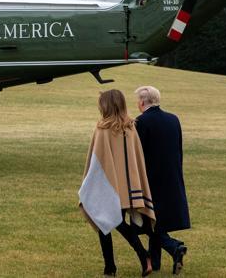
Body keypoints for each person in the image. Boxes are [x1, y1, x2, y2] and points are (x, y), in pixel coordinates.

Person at [79, 89, 155, 276]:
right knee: (114, 221)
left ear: (105, 106)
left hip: (108, 186)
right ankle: (138, 258)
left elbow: (97, 162)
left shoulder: (103, 129)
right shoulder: (130, 128)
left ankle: (114, 266)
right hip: (127, 188)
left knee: (105, 222)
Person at [134, 86, 190, 274]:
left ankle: (174, 247)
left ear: (142, 102)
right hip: (171, 175)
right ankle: (155, 262)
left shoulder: (141, 122)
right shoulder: (173, 119)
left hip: (150, 178)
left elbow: (138, 153)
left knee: (149, 220)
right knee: (156, 220)